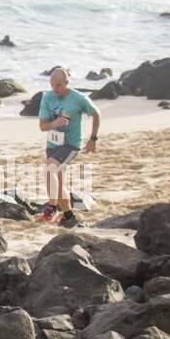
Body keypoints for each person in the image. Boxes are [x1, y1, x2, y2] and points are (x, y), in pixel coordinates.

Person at [37, 67, 99, 228]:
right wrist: (54, 123)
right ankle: (68, 216)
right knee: (57, 182)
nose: (54, 89)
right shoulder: (47, 98)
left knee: (50, 167)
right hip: (52, 144)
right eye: (52, 85)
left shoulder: (78, 99)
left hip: (71, 145)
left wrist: (93, 138)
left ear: (66, 83)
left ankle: (51, 207)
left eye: (58, 85)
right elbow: (42, 126)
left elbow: (96, 114)